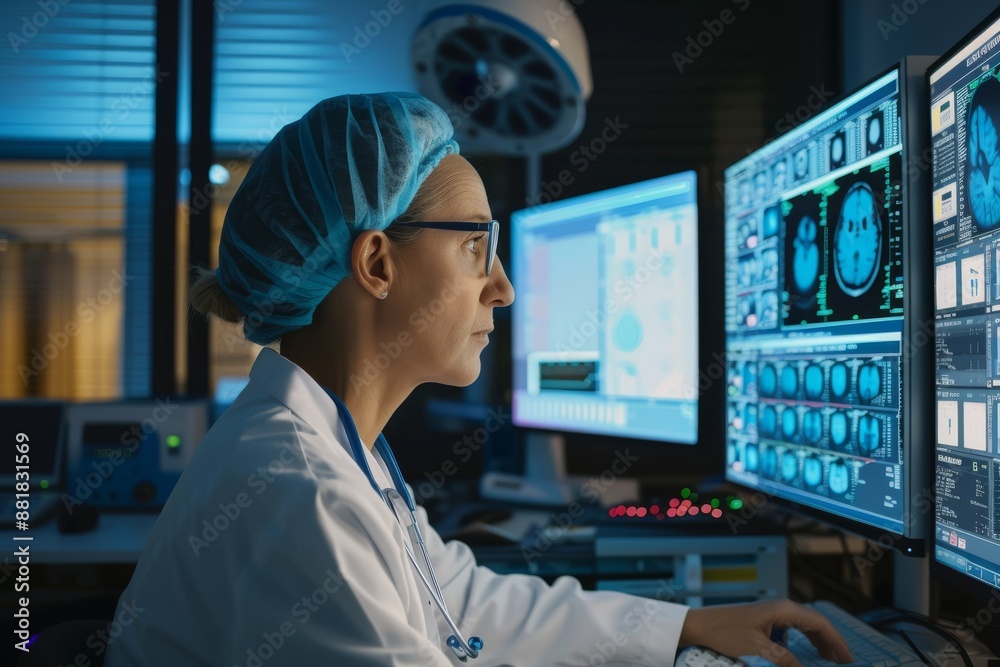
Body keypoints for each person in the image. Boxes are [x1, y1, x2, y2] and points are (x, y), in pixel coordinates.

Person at [105, 92, 853, 667]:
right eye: (475, 247)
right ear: (377, 264)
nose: (503, 287)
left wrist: (683, 628)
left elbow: (461, 600)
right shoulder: (296, 492)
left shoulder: (334, 449)